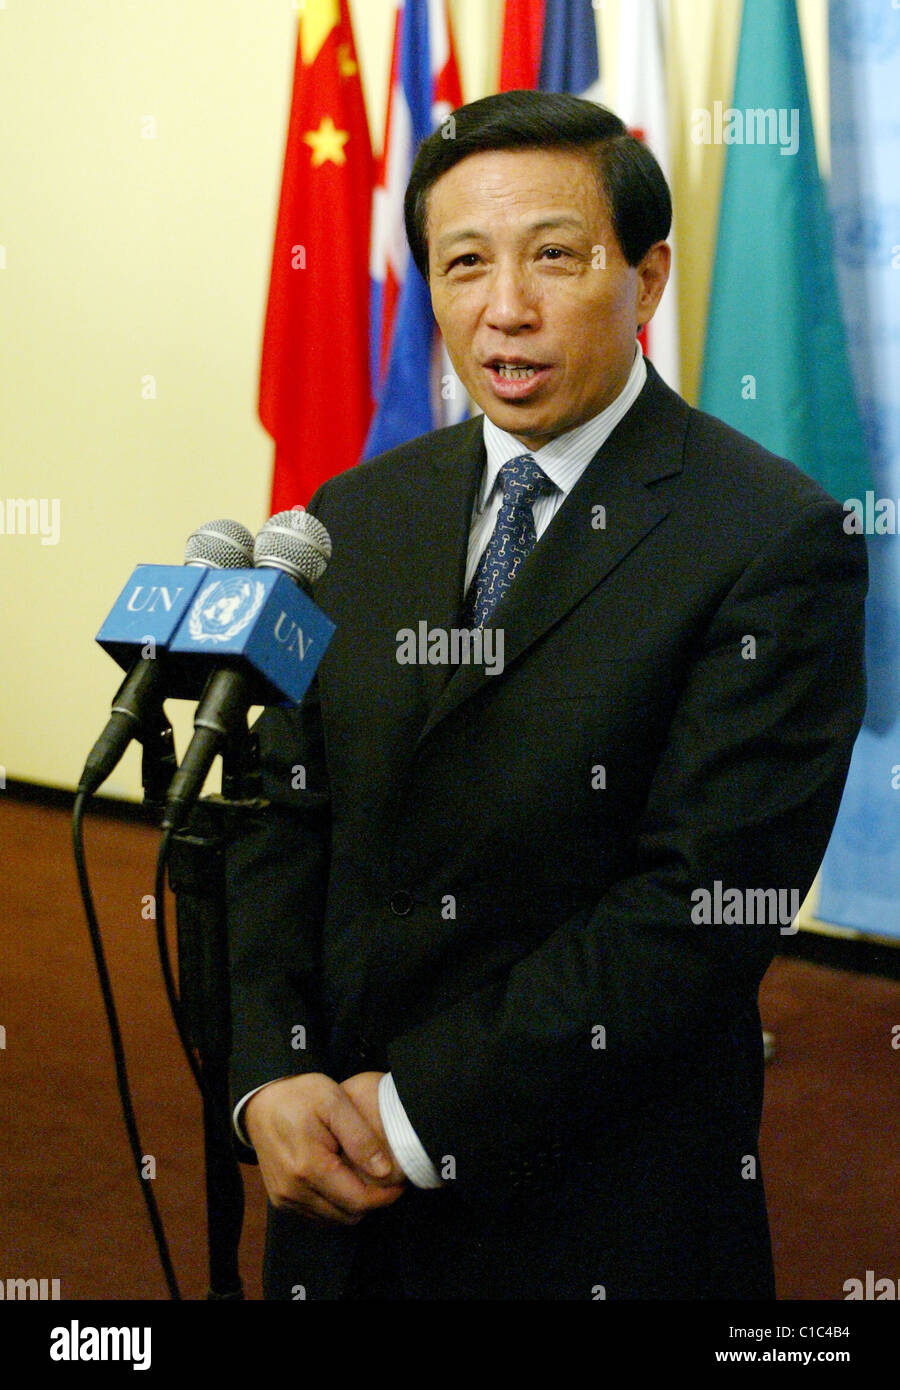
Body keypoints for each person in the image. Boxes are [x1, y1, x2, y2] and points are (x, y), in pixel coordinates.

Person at [225, 90, 867, 1300]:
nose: (503, 308)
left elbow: (700, 908)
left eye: (555, 257)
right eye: (463, 263)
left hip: (596, 1196)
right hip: (332, 1186)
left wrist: (410, 1113)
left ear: (649, 277)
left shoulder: (770, 537)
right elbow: (278, 815)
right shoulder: (356, 514)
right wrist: (273, 1077)